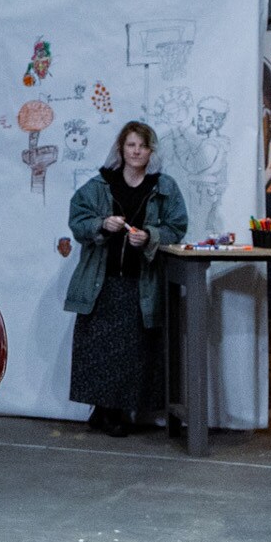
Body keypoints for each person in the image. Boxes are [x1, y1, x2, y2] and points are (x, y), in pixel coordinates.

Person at [64, 119, 189, 435]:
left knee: (135, 353)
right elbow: (78, 222)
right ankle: (105, 412)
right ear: (121, 148)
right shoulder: (99, 185)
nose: (136, 151)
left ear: (151, 151)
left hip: (142, 283)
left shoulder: (164, 187)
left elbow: (178, 227)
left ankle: (117, 412)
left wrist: (149, 236)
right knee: (100, 351)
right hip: (101, 282)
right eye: (131, 145)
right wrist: (101, 225)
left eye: (143, 146)